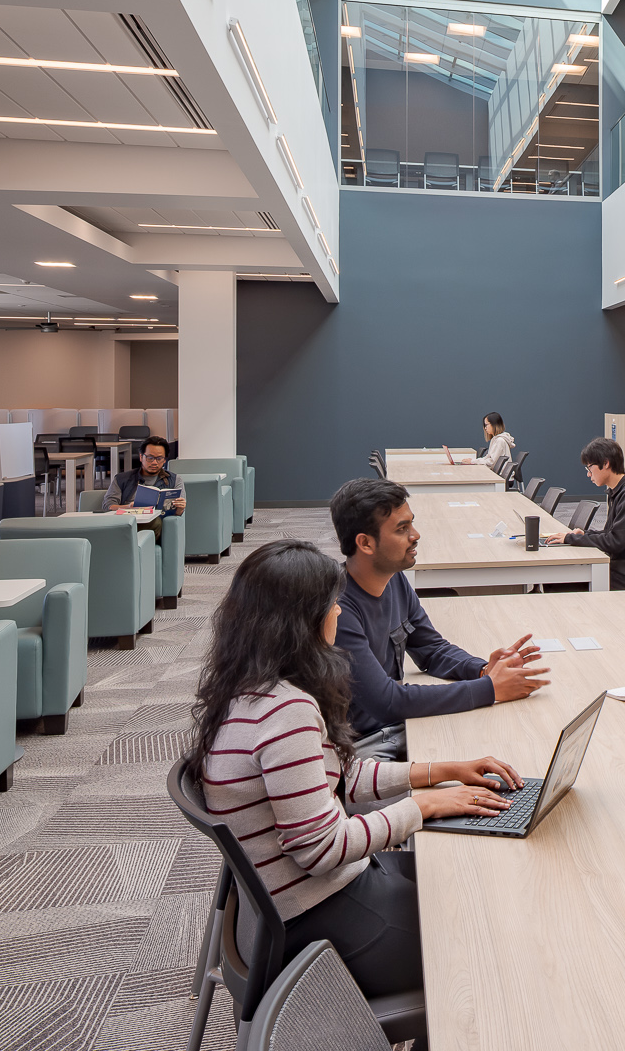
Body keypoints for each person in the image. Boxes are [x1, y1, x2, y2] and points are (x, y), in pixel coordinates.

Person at [192, 539, 522, 1003]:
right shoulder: (284, 712)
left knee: (466, 880)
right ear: (299, 620)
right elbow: (320, 848)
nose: (340, 615)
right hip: (319, 924)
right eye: (331, 606)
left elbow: (338, 778)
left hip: (301, 904)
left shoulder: (248, 689)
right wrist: (422, 807)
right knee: (490, 936)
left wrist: (440, 771)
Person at [330, 478, 549, 758]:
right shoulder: (338, 610)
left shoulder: (394, 580)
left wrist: (482, 670)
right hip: (362, 747)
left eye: (411, 523)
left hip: (399, 727)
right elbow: (387, 701)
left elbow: (431, 649)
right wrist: (489, 689)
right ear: (365, 543)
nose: (416, 535)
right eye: (402, 529)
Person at [541, 437, 625, 591]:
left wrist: (573, 538)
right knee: (555, 577)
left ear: (605, 463)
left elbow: (615, 542)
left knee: (556, 581)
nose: (588, 475)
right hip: (620, 566)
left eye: (590, 468)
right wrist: (584, 534)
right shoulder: (619, 490)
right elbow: (613, 534)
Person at [106, 433, 185, 516]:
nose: (154, 462)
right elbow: (108, 506)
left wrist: (180, 509)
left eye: (159, 458)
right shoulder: (122, 478)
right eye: (150, 458)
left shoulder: (174, 479)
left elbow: (178, 514)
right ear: (141, 457)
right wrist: (128, 507)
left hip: (158, 520)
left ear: (165, 460)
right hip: (129, 519)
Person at [477, 412, 515, 477]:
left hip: (501, 477)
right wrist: (474, 461)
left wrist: (474, 462)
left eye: (486, 425)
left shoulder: (500, 441)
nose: (485, 428)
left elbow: (491, 462)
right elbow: (488, 458)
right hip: (499, 474)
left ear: (494, 424)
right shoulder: (495, 439)